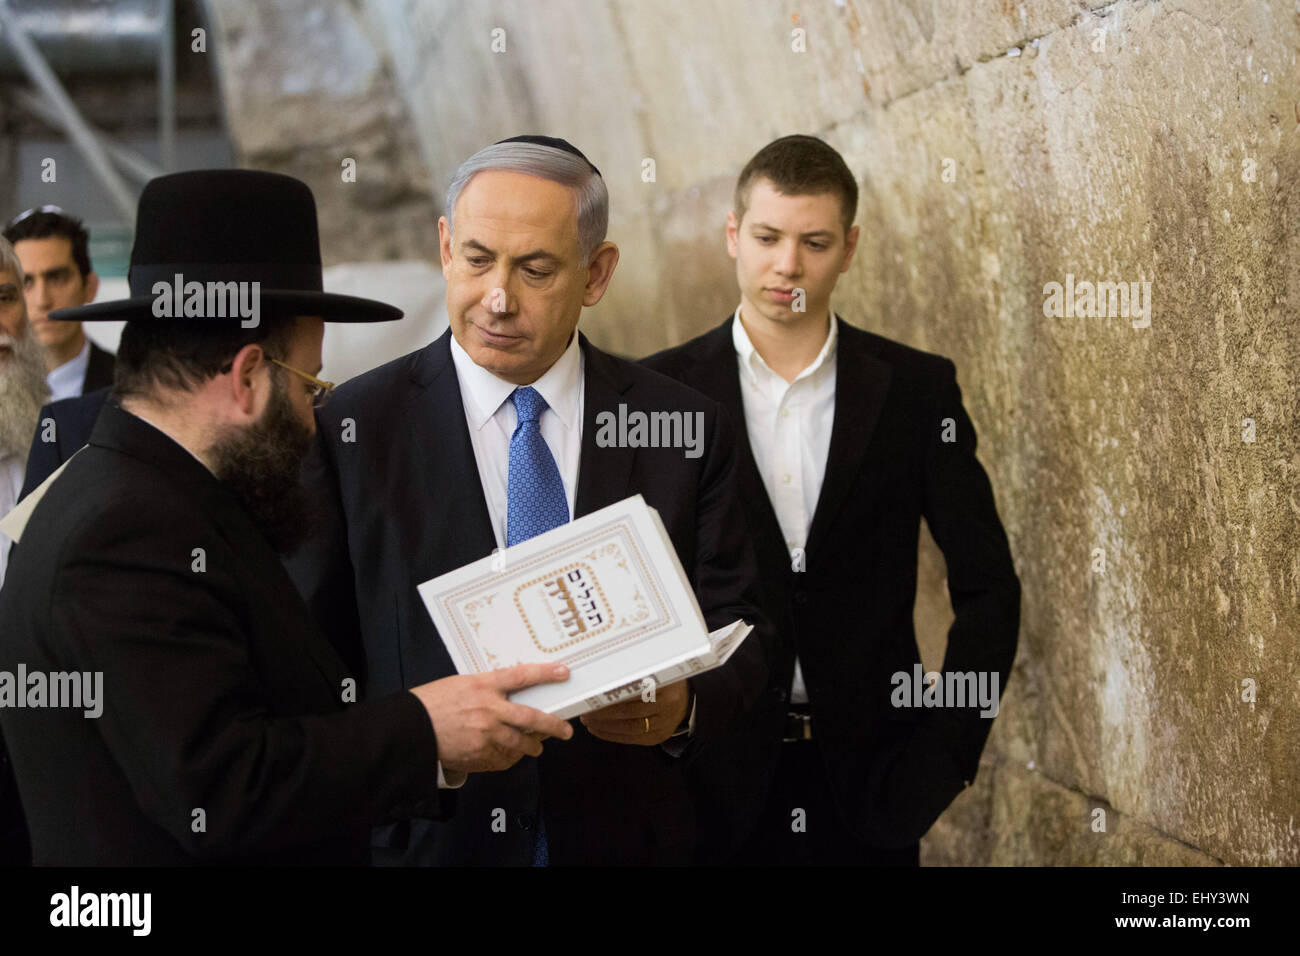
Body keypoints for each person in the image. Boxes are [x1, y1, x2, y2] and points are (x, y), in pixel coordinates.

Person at [0, 169, 573, 865]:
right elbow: (223, 788)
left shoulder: (164, 496)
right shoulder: (124, 533)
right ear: (246, 377)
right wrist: (426, 729)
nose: (312, 420)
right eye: (310, 386)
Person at [286, 136, 769, 866]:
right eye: (477, 259)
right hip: (430, 846)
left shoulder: (685, 429)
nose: (498, 297)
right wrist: (426, 745)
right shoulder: (348, 432)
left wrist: (683, 711)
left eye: (535, 268)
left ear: (596, 273)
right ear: (445, 248)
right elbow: (309, 673)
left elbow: (745, 626)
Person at [642, 134, 1021, 865]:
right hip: (707, 790)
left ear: (848, 248)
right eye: (767, 237)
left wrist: (946, 754)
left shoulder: (916, 391)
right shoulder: (659, 395)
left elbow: (989, 588)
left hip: (875, 790)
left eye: (814, 242)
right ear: (732, 236)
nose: (788, 264)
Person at [4, 207, 114, 400]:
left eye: (57, 278)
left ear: (89, 287)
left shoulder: (134, 385)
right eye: (25, 282)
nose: (42, 300)